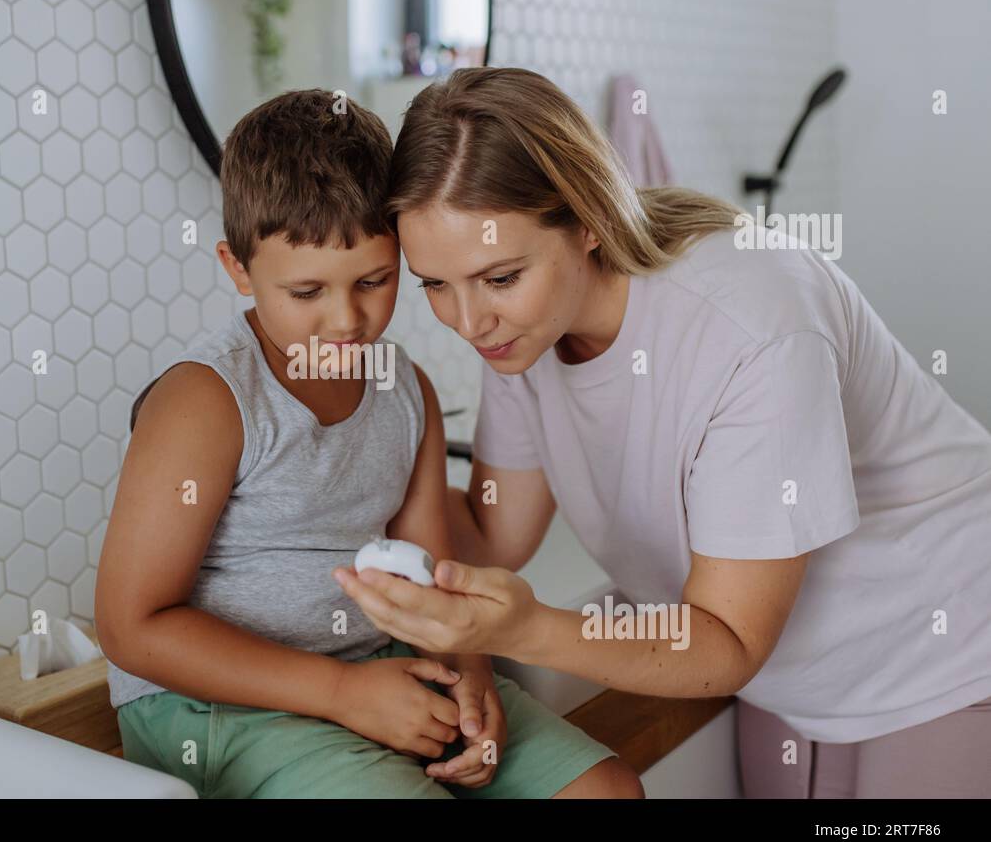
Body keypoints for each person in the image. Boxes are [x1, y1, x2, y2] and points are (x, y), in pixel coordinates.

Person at [336, 66, 991, 798]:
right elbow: (492, 533)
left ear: (586, 219)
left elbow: (729, 639)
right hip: (791, 678)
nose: (465, 321)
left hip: (947, 652)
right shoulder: (518, 332)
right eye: (434, 284)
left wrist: (522, 630)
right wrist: (356, 451)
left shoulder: (752, 327)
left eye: (499, 277)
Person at [94, 89, 641, 798]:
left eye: (375, 281)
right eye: (306, 292)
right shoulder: (206, 403)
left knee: (607, 791)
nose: (346, 320)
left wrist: (474, 683)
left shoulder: (404, 391)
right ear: (237, 269)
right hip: (221, 707)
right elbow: (131, 627)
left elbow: (433, 577)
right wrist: (341, 693)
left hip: (376, 664)